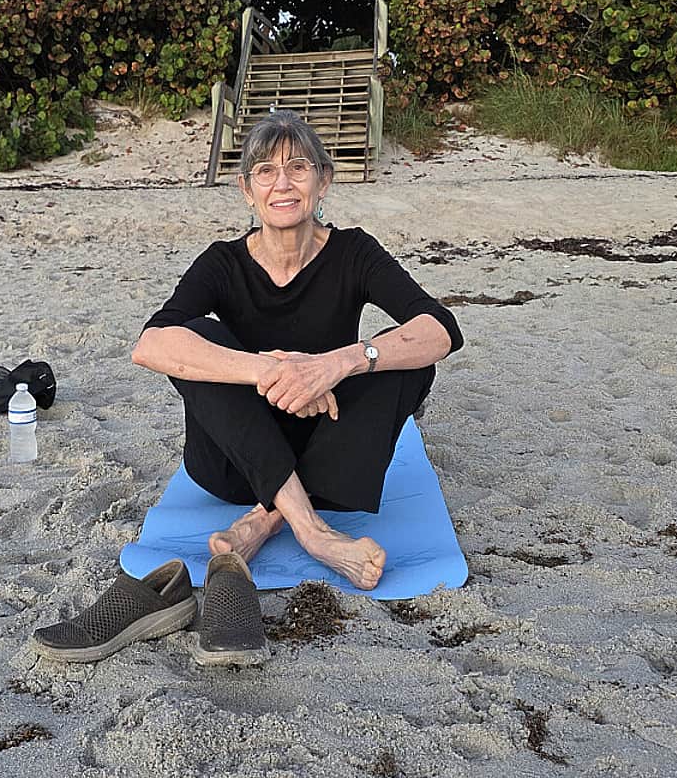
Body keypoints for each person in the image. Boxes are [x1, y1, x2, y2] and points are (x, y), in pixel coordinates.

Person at [131, 109, 463, 591]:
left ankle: (266, 518)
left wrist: (335, 365)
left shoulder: (354, 252)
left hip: (330, 461)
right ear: (247, 189)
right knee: (196, 336)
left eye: (298, 167)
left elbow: (440, 329)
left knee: (405, 360)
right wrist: (270, 371)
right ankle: (313, 532)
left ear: (323, 181)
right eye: (266, 171)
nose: (282, 184)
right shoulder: (223, 263)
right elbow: (150, 344)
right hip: (235, 463)